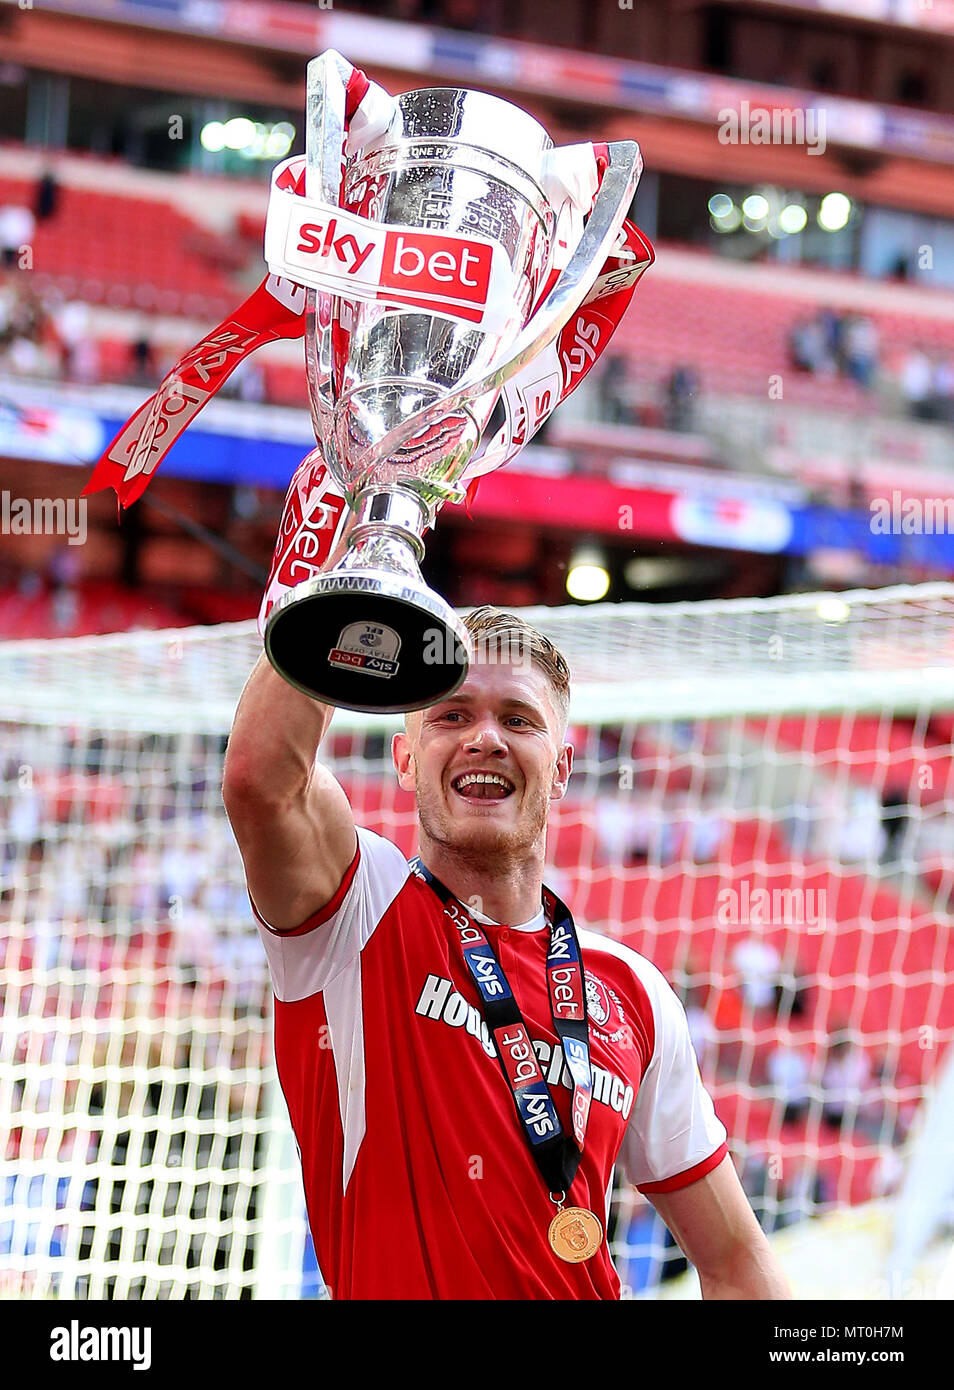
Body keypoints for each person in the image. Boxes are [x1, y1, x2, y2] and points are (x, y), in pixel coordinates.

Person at [224, 591, 790, 1300]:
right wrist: (351, 573)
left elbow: (738, 1262)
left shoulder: (634, 992)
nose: (484, 737)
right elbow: (261, 781)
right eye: (451, 715)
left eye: (517, 719)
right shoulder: (359, 906)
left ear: (560, 768)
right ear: (404, 759)